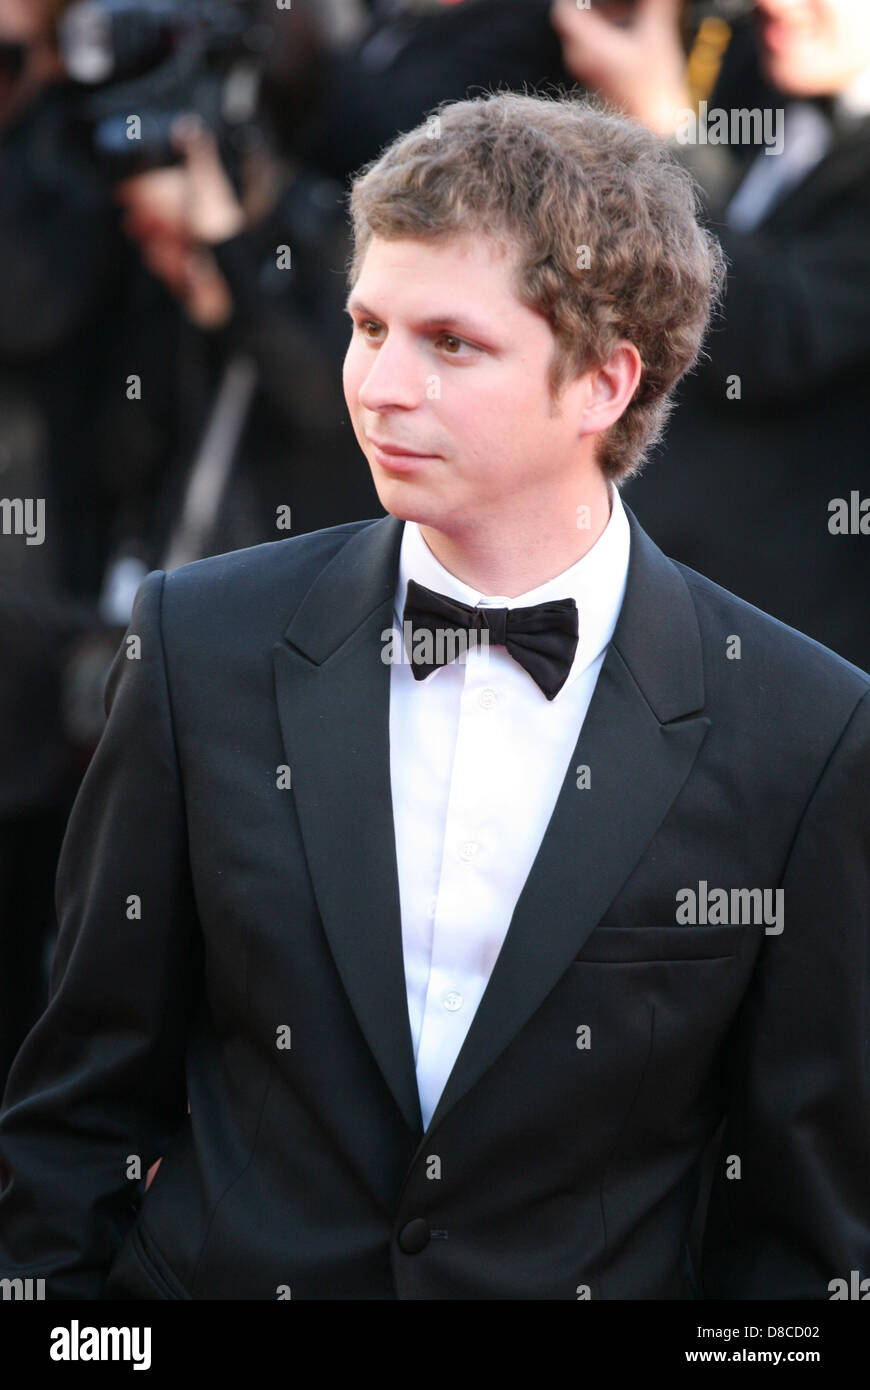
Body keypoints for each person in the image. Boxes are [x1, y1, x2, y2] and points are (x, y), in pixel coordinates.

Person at [0, 90, 868, 1301]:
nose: (380, 386)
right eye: (367, 325)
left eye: (450, 344)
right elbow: (76, 1103)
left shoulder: (803, 727)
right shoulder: (202, 643)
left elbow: (804, 1226)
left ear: (604, 383)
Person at [551, 0, 870, 671]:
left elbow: (774, 338)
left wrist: (667, 127)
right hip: (645, 584)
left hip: (782, 641)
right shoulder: (760, 67)